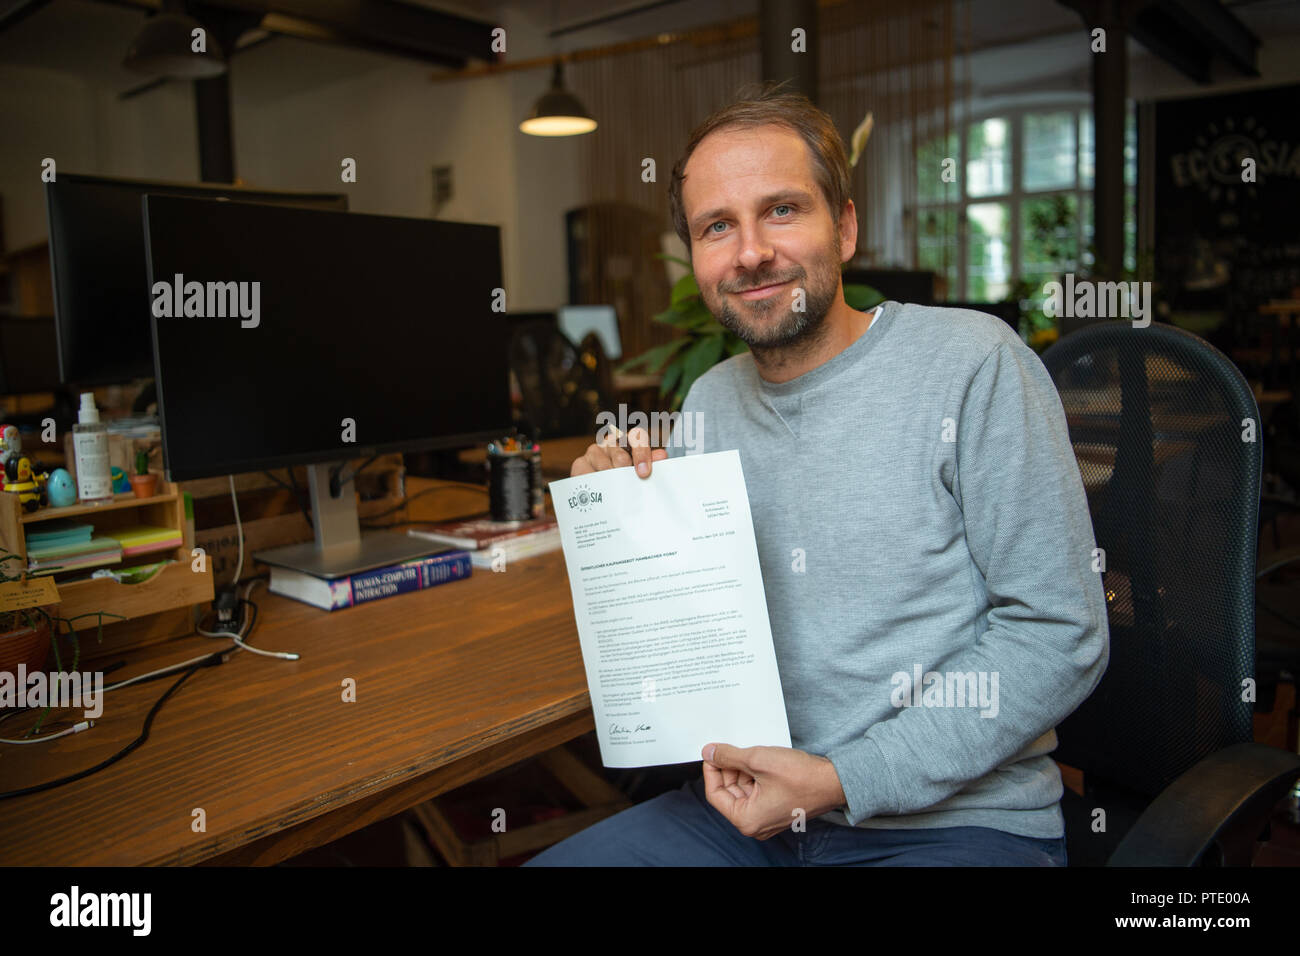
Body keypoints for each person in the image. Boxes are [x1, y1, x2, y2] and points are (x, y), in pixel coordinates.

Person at [525, 86, 1108, 866]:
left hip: (953, 824)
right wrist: (617, 518)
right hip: (744, 815)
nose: (751, 251)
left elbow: (1058, 632)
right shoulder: (709, 400)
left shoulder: (975, 363)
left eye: (783, 210)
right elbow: (693, 637)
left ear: (847, 227)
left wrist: (838, 779)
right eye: (717, 226)